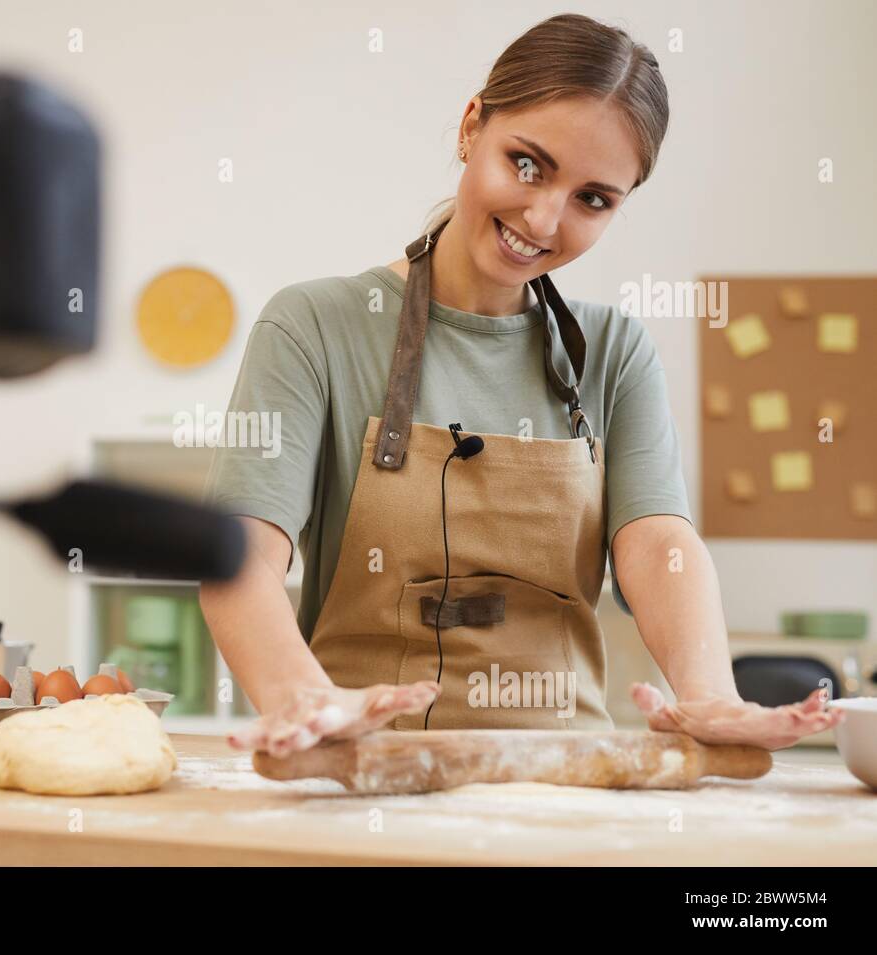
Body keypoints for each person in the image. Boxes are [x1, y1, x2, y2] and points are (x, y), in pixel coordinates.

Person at [199, 13, 842, 758]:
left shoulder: (615, 352)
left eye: (593, 199)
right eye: (528, 164)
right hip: (358, 769)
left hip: (566, 786)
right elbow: (239, 551)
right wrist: (300, 697)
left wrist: (711, 696)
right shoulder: (315, 325)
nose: (543, 218)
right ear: (472, 126)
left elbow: (658, 541)